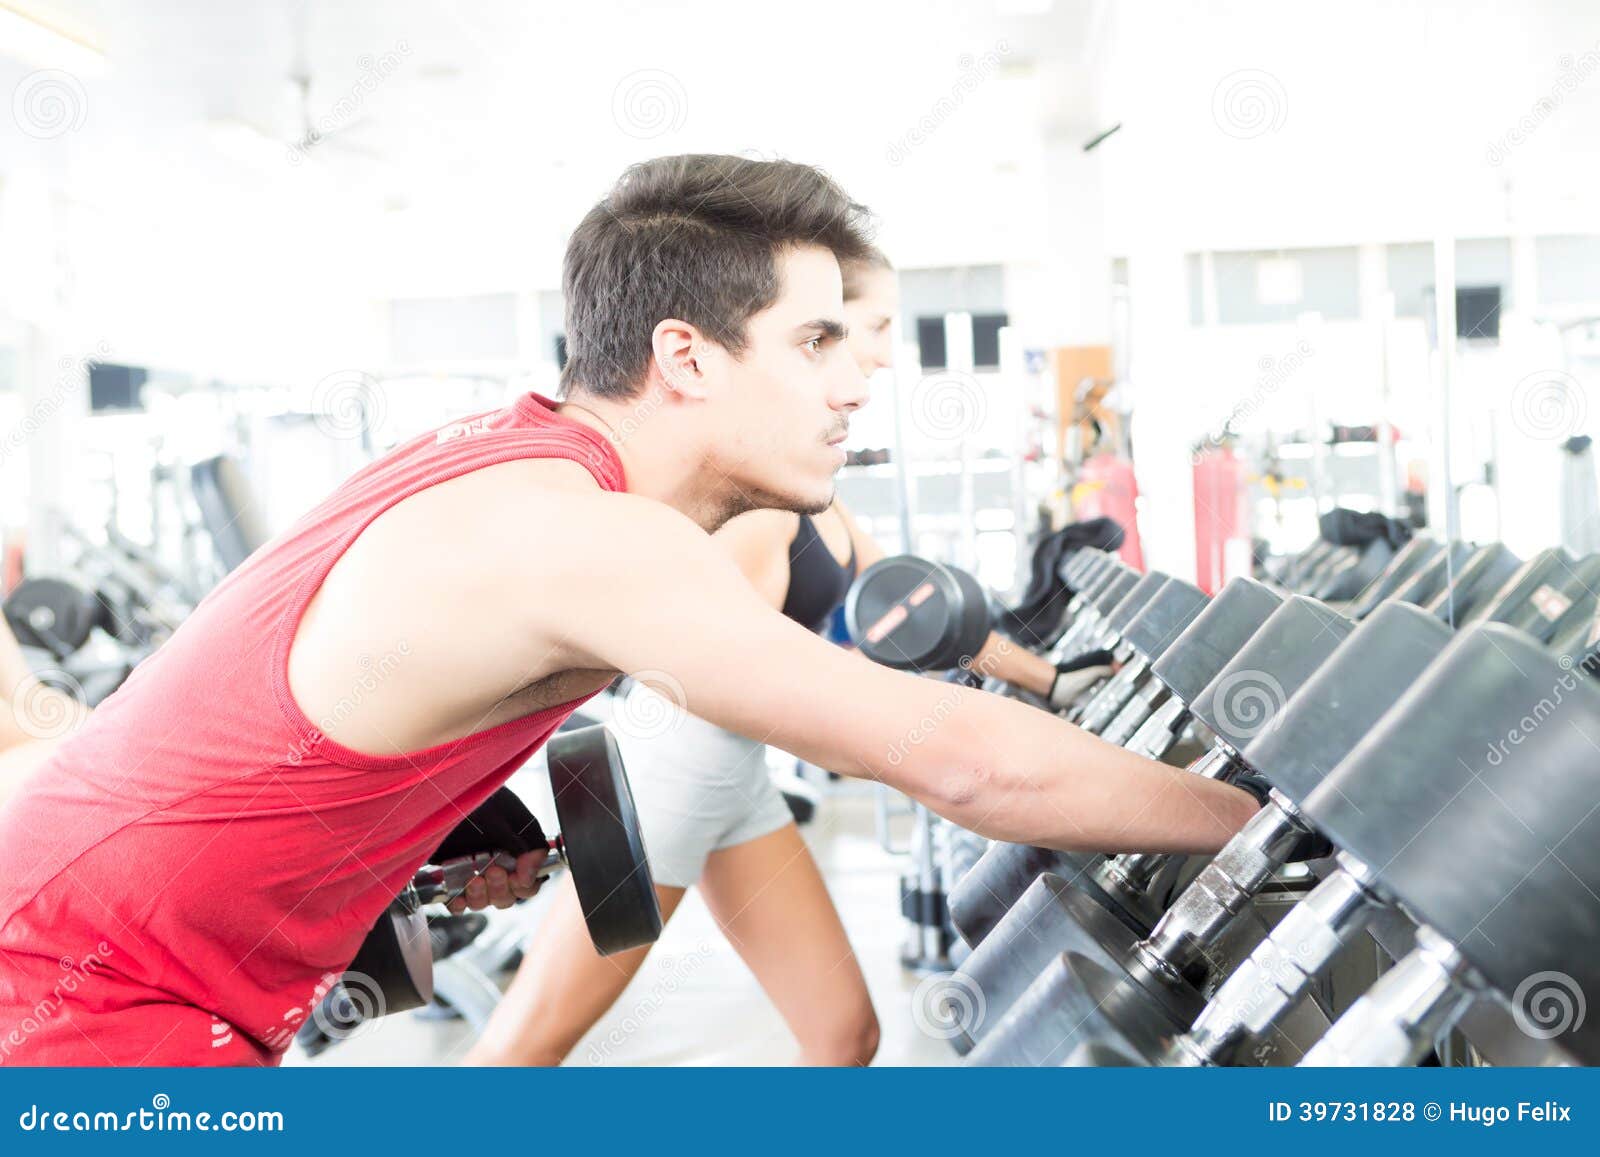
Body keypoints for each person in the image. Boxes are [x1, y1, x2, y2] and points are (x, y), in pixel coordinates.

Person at [0, 154, 1258, 1066]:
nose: (855, 385)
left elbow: (403, 683)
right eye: (816, 341)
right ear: (688, 357)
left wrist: (451, 813)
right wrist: (1268, 822)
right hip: (87, 1006)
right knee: (524, 1052)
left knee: (841, 1033)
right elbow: (960, 763)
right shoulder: (592, 534)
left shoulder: (519, 461)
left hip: (123, 953)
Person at [465, 250, 1084, 1067]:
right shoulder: (756, 512)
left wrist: (1055, 679)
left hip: (732, 784)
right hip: (669, 781)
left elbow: (919, 611)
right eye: (870, 327)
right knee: (522, 1050)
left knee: (843, 1036)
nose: (886, 352)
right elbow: (732, 679)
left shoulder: (811, 492)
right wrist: (914, 741)